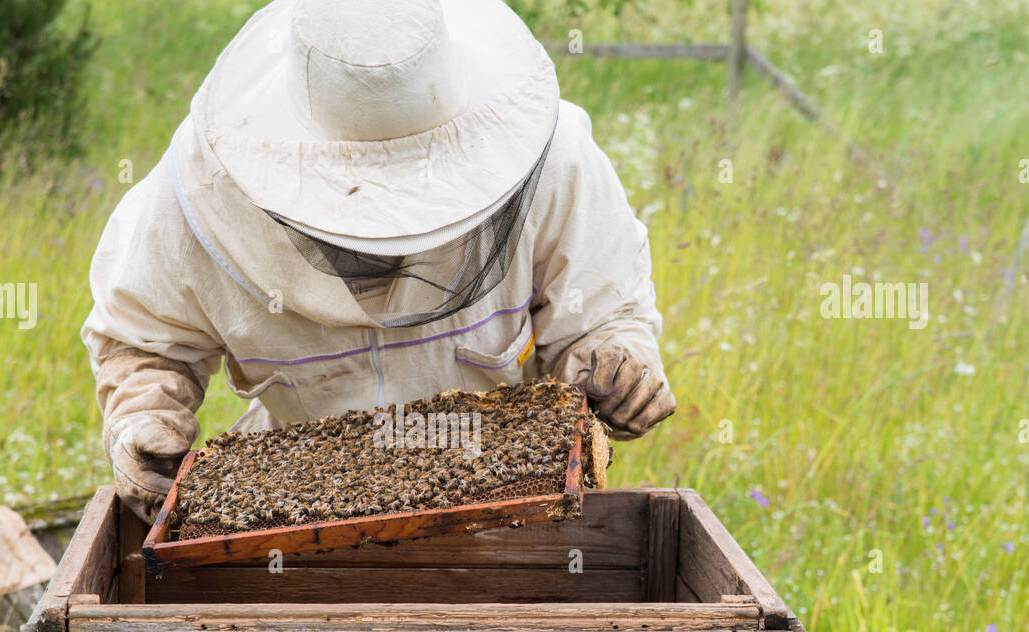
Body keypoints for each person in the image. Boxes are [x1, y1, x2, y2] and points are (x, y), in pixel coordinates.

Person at [82, 0, 676, 521]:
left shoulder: (556, 161)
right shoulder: (199, 193)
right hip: (299, 517)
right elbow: (146, 342)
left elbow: (601, 318)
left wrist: (618, 367)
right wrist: (144, 414)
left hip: (510, 507)